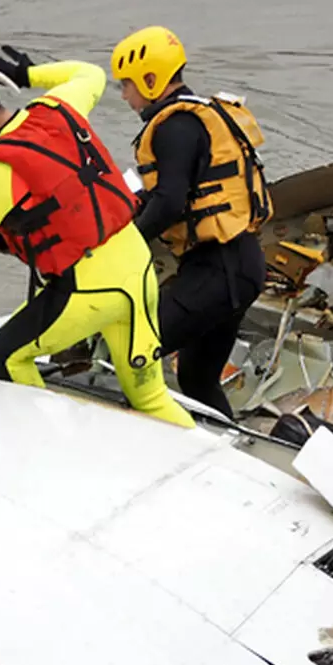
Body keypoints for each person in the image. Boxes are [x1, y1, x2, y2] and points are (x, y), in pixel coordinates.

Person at [0, 47, 195, 429]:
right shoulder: (55, 108)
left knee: (8, 352)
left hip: (93, 290)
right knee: (150, 397)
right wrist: (27, 73)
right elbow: (89, 73)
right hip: (137, 268)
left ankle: (42, 446)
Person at [111, 26, 272, 420]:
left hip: (219, 271)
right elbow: (177, 192)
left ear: (151, 80)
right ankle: (229, 446)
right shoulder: (196, 116)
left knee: (137, 349)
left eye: (127, 85)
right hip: (242, 265)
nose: (124, 95)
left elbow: (168, 203)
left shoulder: (173, 127)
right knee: (198, 379)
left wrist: (121, 245)